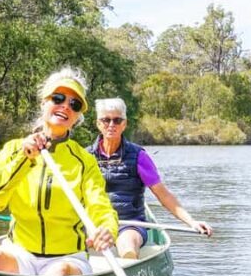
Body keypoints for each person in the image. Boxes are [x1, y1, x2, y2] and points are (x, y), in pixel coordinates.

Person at [0, 67, 117, 276]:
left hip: (67, 257)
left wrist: (107, 229)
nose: (65, 106)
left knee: (59, 272)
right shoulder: (14, 149)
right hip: (20, 252)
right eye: (58, 98)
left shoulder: (84, 161)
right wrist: (24, 159)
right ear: (44, 103)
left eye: (74, 104)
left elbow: (100, 206)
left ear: (77, 117)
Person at [86, 97, 213, 259]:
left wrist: (192, 222)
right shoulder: (85, 156)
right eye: (106, 120)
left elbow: (163, 195)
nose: (111, 125)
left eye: (117, 120)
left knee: (127, 244)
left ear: (124, 124)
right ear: (98, 123)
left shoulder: (139, 156)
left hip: (129, 224)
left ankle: (129, 268)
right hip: (95, 222)